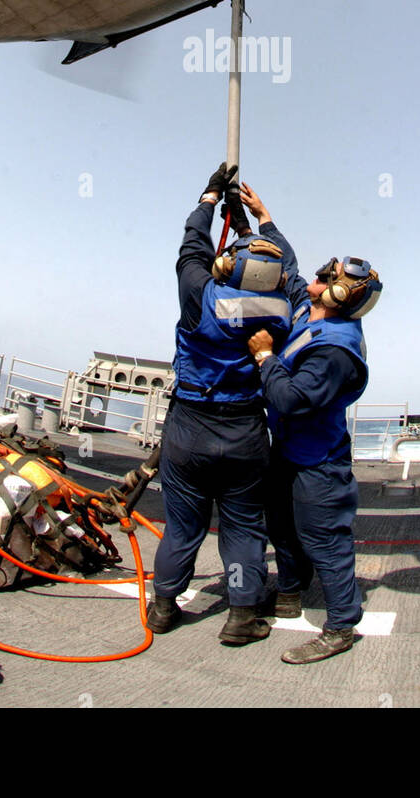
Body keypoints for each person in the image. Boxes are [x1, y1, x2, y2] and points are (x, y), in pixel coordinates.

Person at [147, 163, 295, 645]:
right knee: (242, 529)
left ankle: (165, 607)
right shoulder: (281, 311)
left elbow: (192, 243)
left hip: (189, 427)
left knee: (182, 527)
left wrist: (211, 198)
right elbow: (288, 270)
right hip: (244, 432)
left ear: (230, 266)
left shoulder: (199, 295)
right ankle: (241, 617)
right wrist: (262, 222)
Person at [240, 192, 381, 665]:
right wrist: (265, 219)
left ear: (340, 294)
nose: (319, 277)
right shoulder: (312, 313)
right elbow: (293, 272)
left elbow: (290, 399)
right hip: (289, 452)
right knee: (281, 524)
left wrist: (264, 355)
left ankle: (341, 624)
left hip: (319, 463)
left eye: (329, 277)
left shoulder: (337, 349)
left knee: (326, 540)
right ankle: (290, 590)